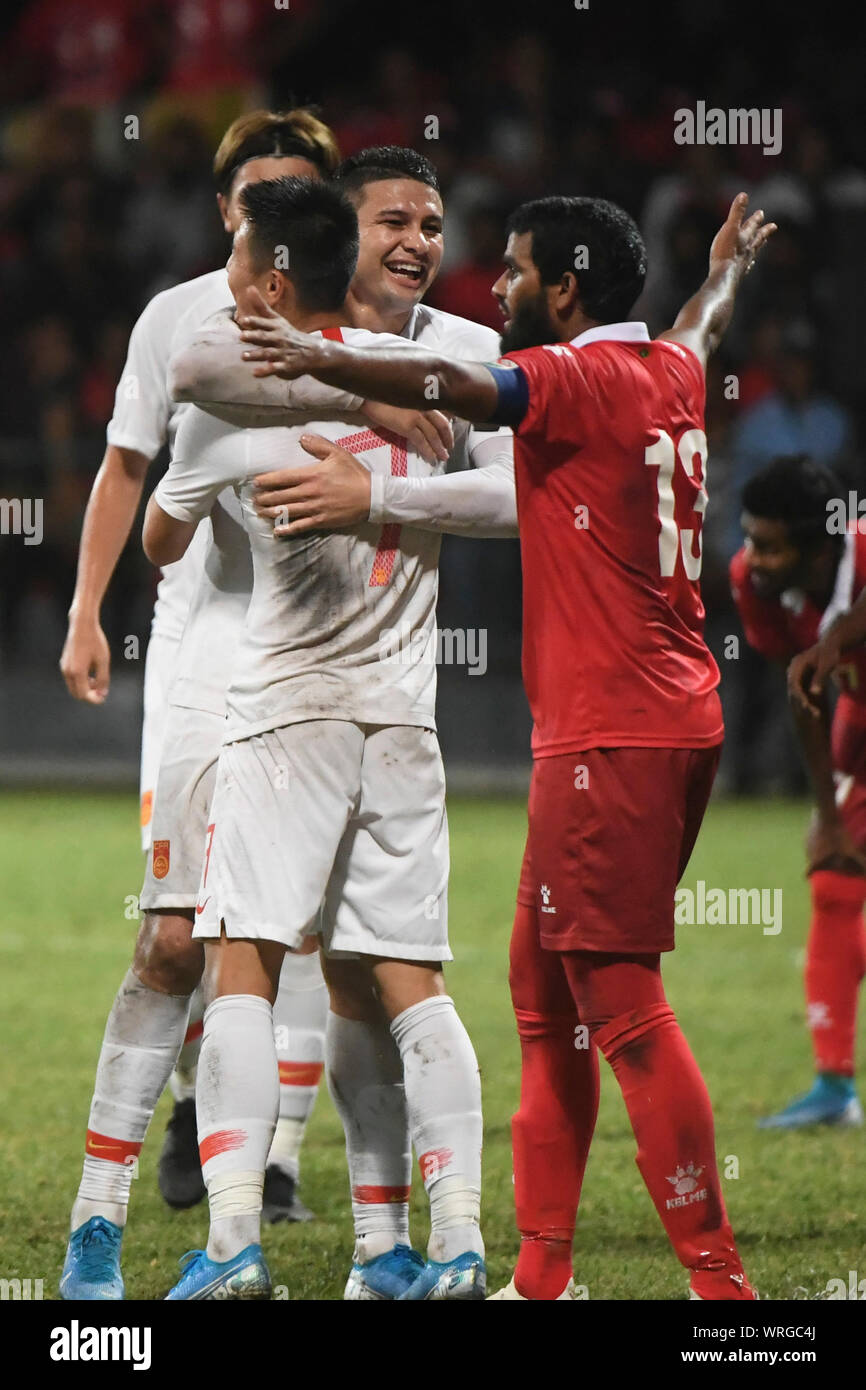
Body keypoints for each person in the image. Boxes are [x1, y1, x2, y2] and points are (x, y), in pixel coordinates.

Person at [236, 190, 775, 1300]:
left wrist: (313, 355)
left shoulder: (573, 380)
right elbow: (701, 322)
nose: (499, 288)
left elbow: (448, 385)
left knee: (619, 1009)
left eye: (520, 272)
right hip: (662, 721)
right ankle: (541, 1276)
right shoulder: (668, 371)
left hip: (609, 740)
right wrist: (724, 268)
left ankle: (721, 1295)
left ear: (567, 289)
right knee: (543, 998)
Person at [147, 170, 517, 1302]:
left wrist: (374, 497)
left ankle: (235, 1249)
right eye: (393, 222)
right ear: (341, 243)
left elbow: (168, 508)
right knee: (387, 981)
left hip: (296, 713)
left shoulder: (289, 369)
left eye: (430, 225)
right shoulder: (441, 372)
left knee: (247, 970)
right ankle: (416, 1246)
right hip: (397, 717)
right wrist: (370, 407)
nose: (419, 240)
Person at [59, 107, 342, 1302]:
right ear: (229, 209)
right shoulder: (176, 321)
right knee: (178, 933)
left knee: (303, 938)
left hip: (330, 661)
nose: (268, 209)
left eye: (295, 192)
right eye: (253, 192)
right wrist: (86, 610)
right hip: (204, 654)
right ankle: (98, 1222)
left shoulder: (383, 341)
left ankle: (266, 1182)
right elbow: (134, 476)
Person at [731, 454, 865, 1128]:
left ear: (820, 547)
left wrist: (837, 639)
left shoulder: (861, 550)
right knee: (835, 878)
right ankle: (835, 1086)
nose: (751, 557)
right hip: (859, 723)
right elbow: (805, 686)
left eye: (770, 545)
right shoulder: (749, 586)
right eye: (752, 537)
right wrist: (826, 815)